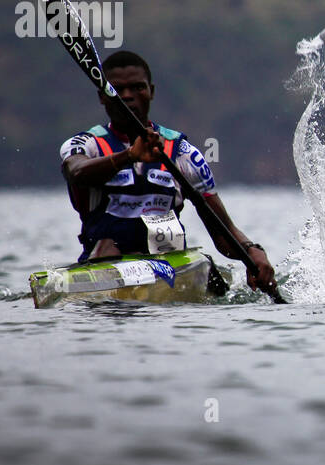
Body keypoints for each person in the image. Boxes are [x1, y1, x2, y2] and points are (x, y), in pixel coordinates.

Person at [59, 50, 277, 292]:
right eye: (118, 90)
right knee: (107, 246)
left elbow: (223, 232)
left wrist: (252, 250)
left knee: (208, 268)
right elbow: (75, 171)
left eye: (137, 88)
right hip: (106, 265)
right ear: (102, 96)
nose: (128, 97)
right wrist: (129, 156)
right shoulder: (86, 144)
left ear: (151, 91)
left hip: (170, 267)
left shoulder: (183, 153)